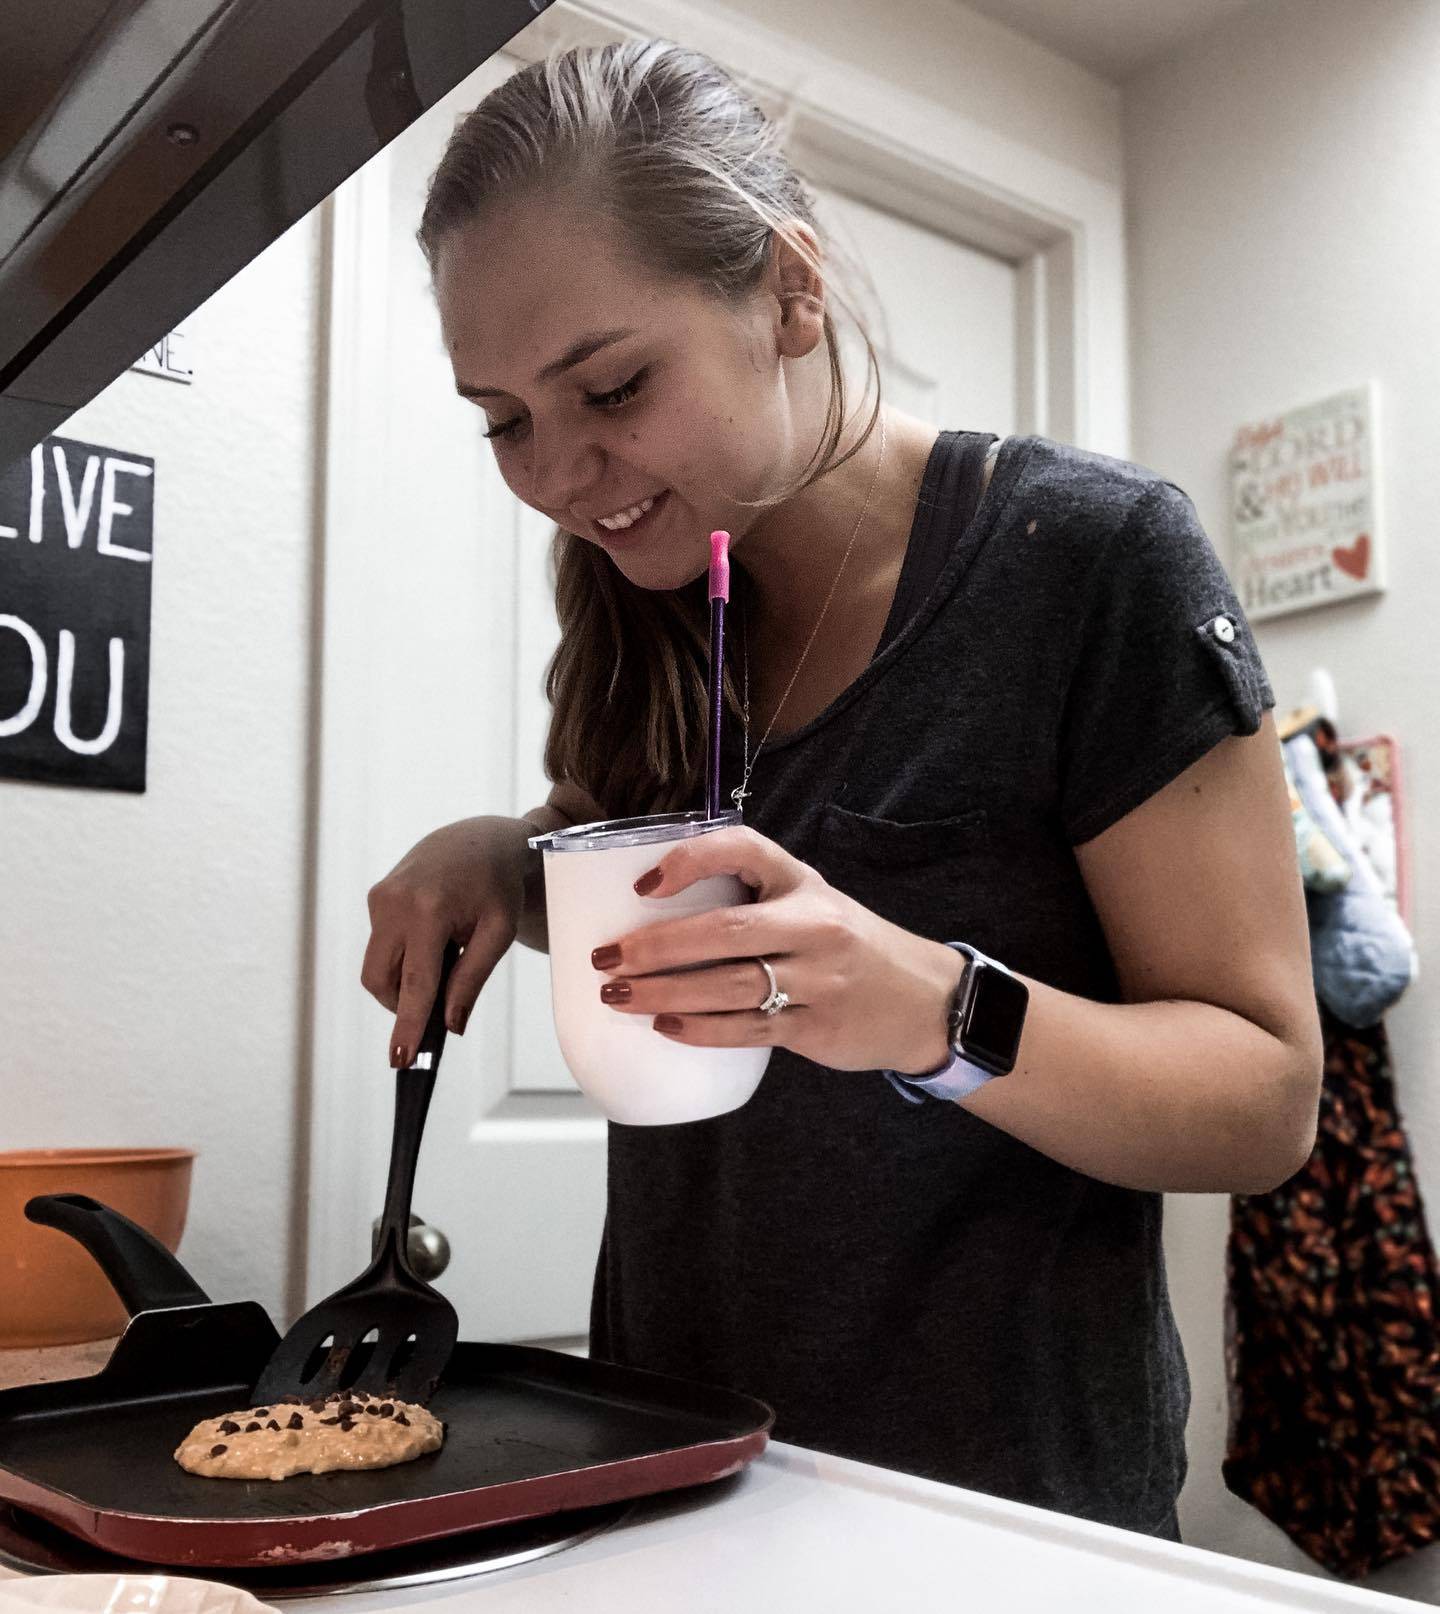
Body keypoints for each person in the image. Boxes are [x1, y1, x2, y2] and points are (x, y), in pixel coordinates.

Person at [362, 39, 1322, 1541]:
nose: (557, 473)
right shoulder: (651, 581)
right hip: (674, 1488)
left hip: (1005, 1531)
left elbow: (1265, 1095)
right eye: (504, 418)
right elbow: (672, 891)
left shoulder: (1092, 564)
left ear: (789, 292)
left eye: (610, 384)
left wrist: (936, 1010)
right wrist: (501, 854)